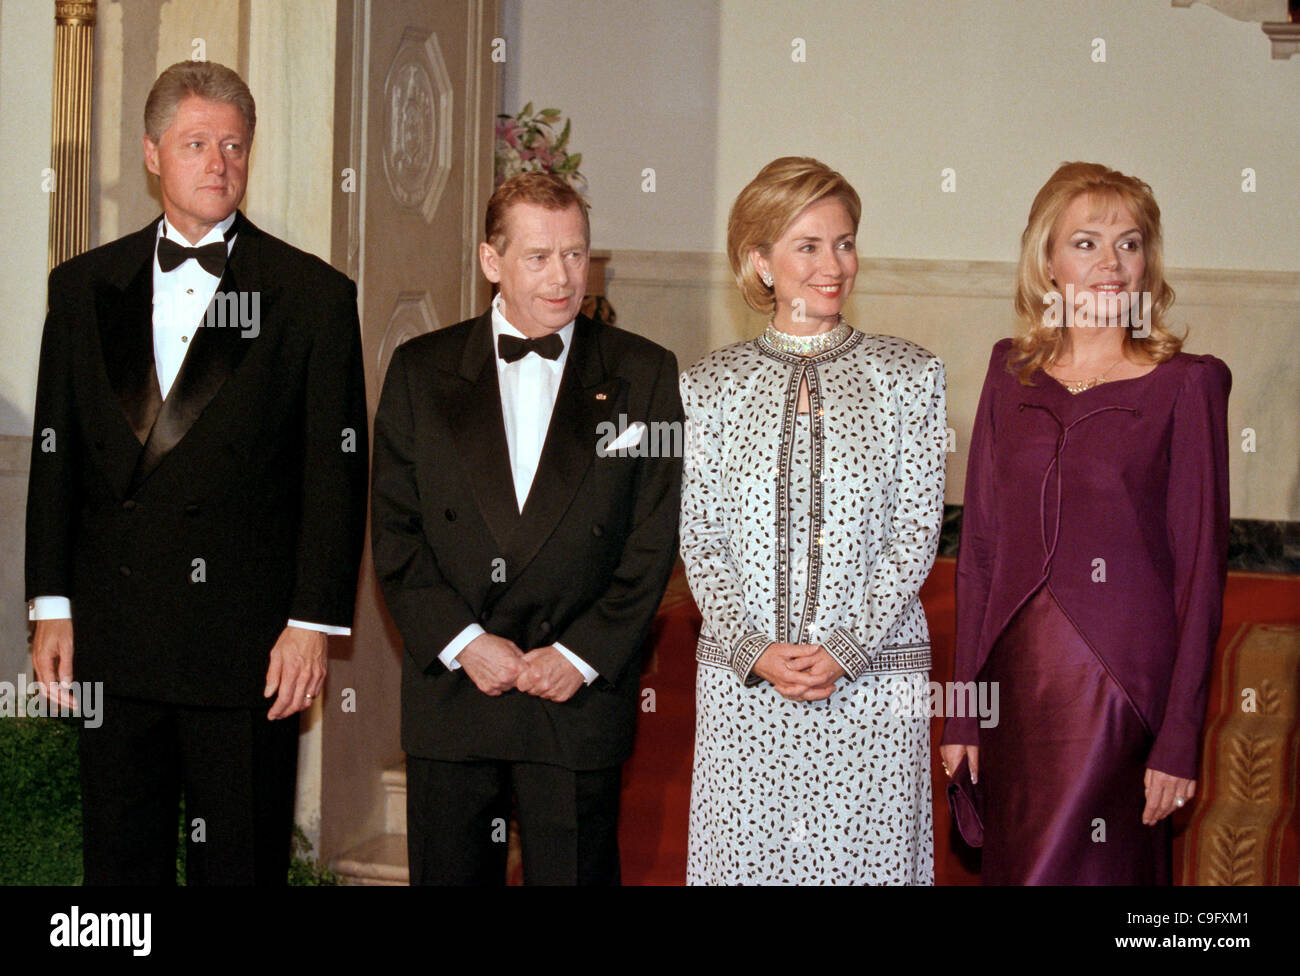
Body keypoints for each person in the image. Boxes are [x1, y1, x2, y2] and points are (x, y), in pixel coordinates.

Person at [24, 61, 368, 885]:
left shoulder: (311, 296)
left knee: (240, 867)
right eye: (196, 143)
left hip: (247, 645)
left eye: (234, 146)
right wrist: (51, 607)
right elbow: (55, 456)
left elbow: (336, 473)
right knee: (119, 869)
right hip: (115, 630)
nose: (218, 163)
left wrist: (312, 626)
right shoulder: (79, 289)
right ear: (152, 154)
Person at [371, 172, 682, 885]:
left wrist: (578, 655)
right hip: (455, 693)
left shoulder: (643, 373)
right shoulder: (421, 371)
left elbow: (652, 539)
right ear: (491, 262)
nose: (563, 277)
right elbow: (395, 530)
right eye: (539, 257)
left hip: (576, 699)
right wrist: (465, 642)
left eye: (576, 254)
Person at [939, 161, 1231, 885]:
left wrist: (1181, 736)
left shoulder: (1187, 384)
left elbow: (1201, 576)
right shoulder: (1009, 372)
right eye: (1087, 243)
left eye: (1129, 244)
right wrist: (962, 713)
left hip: (1120, 689)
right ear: (1047, 263)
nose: (1111, 264)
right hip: (1014, 684)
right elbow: (978, 554)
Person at [679, 157, 947, 884]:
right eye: (809, 245)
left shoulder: (909, 376)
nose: (834, 265)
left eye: (845, 242)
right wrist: (753, 650)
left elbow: (916, 532)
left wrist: (847, 647)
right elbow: (700, 538)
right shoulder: (710, 385)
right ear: (759, 262)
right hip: (746, 689)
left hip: (872, 683)